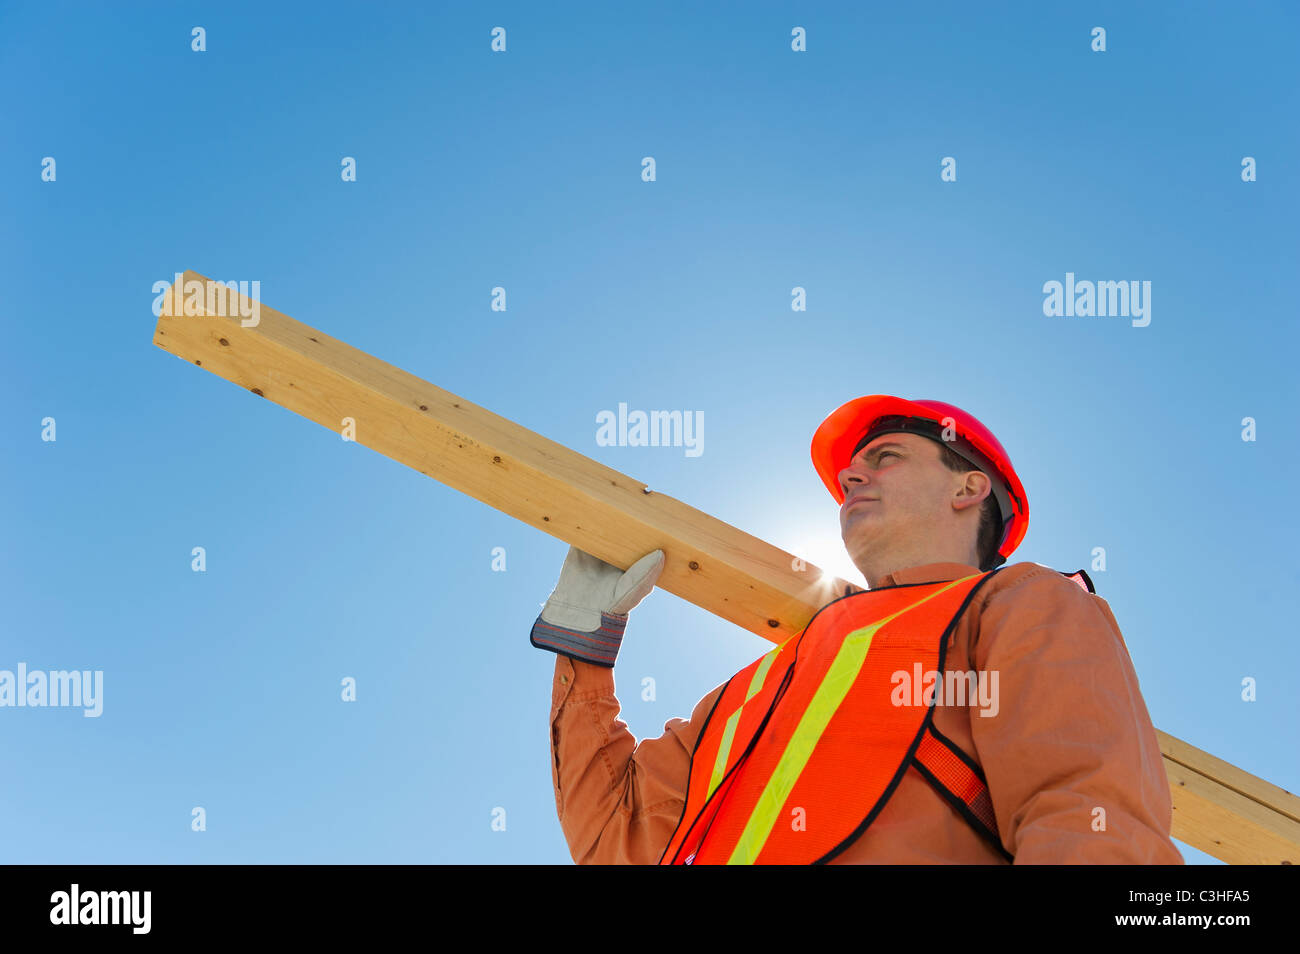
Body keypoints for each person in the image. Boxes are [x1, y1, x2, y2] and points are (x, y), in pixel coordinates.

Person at [529, 395, 1182, 864]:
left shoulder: (1020, 605)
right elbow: (618, 841)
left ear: (969, 488)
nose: (850, 476)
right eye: (853, 468)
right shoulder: (763, 685)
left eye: (887, 456)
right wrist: (581, 647)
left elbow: (1087, 815)